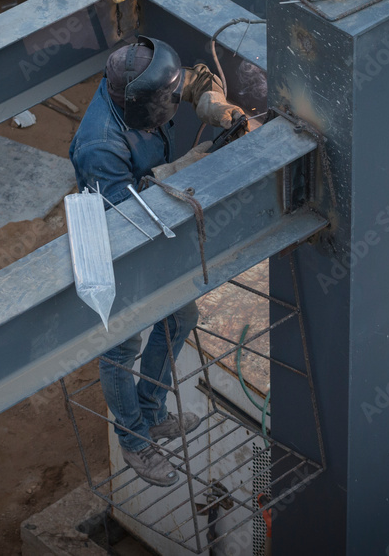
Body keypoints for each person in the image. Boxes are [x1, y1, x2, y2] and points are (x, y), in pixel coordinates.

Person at [69, 36, 247, 486]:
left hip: (153, 230)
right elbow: (126, 216)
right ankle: (133, 440)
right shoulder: (100, 146)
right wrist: (180, 171)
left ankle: (151, 412)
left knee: (180, 316)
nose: (174, 96)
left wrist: (210, 101)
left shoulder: (141, 75)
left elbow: (189, 81)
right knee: (121, 348)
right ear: (140, 103)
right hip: (114, 241)